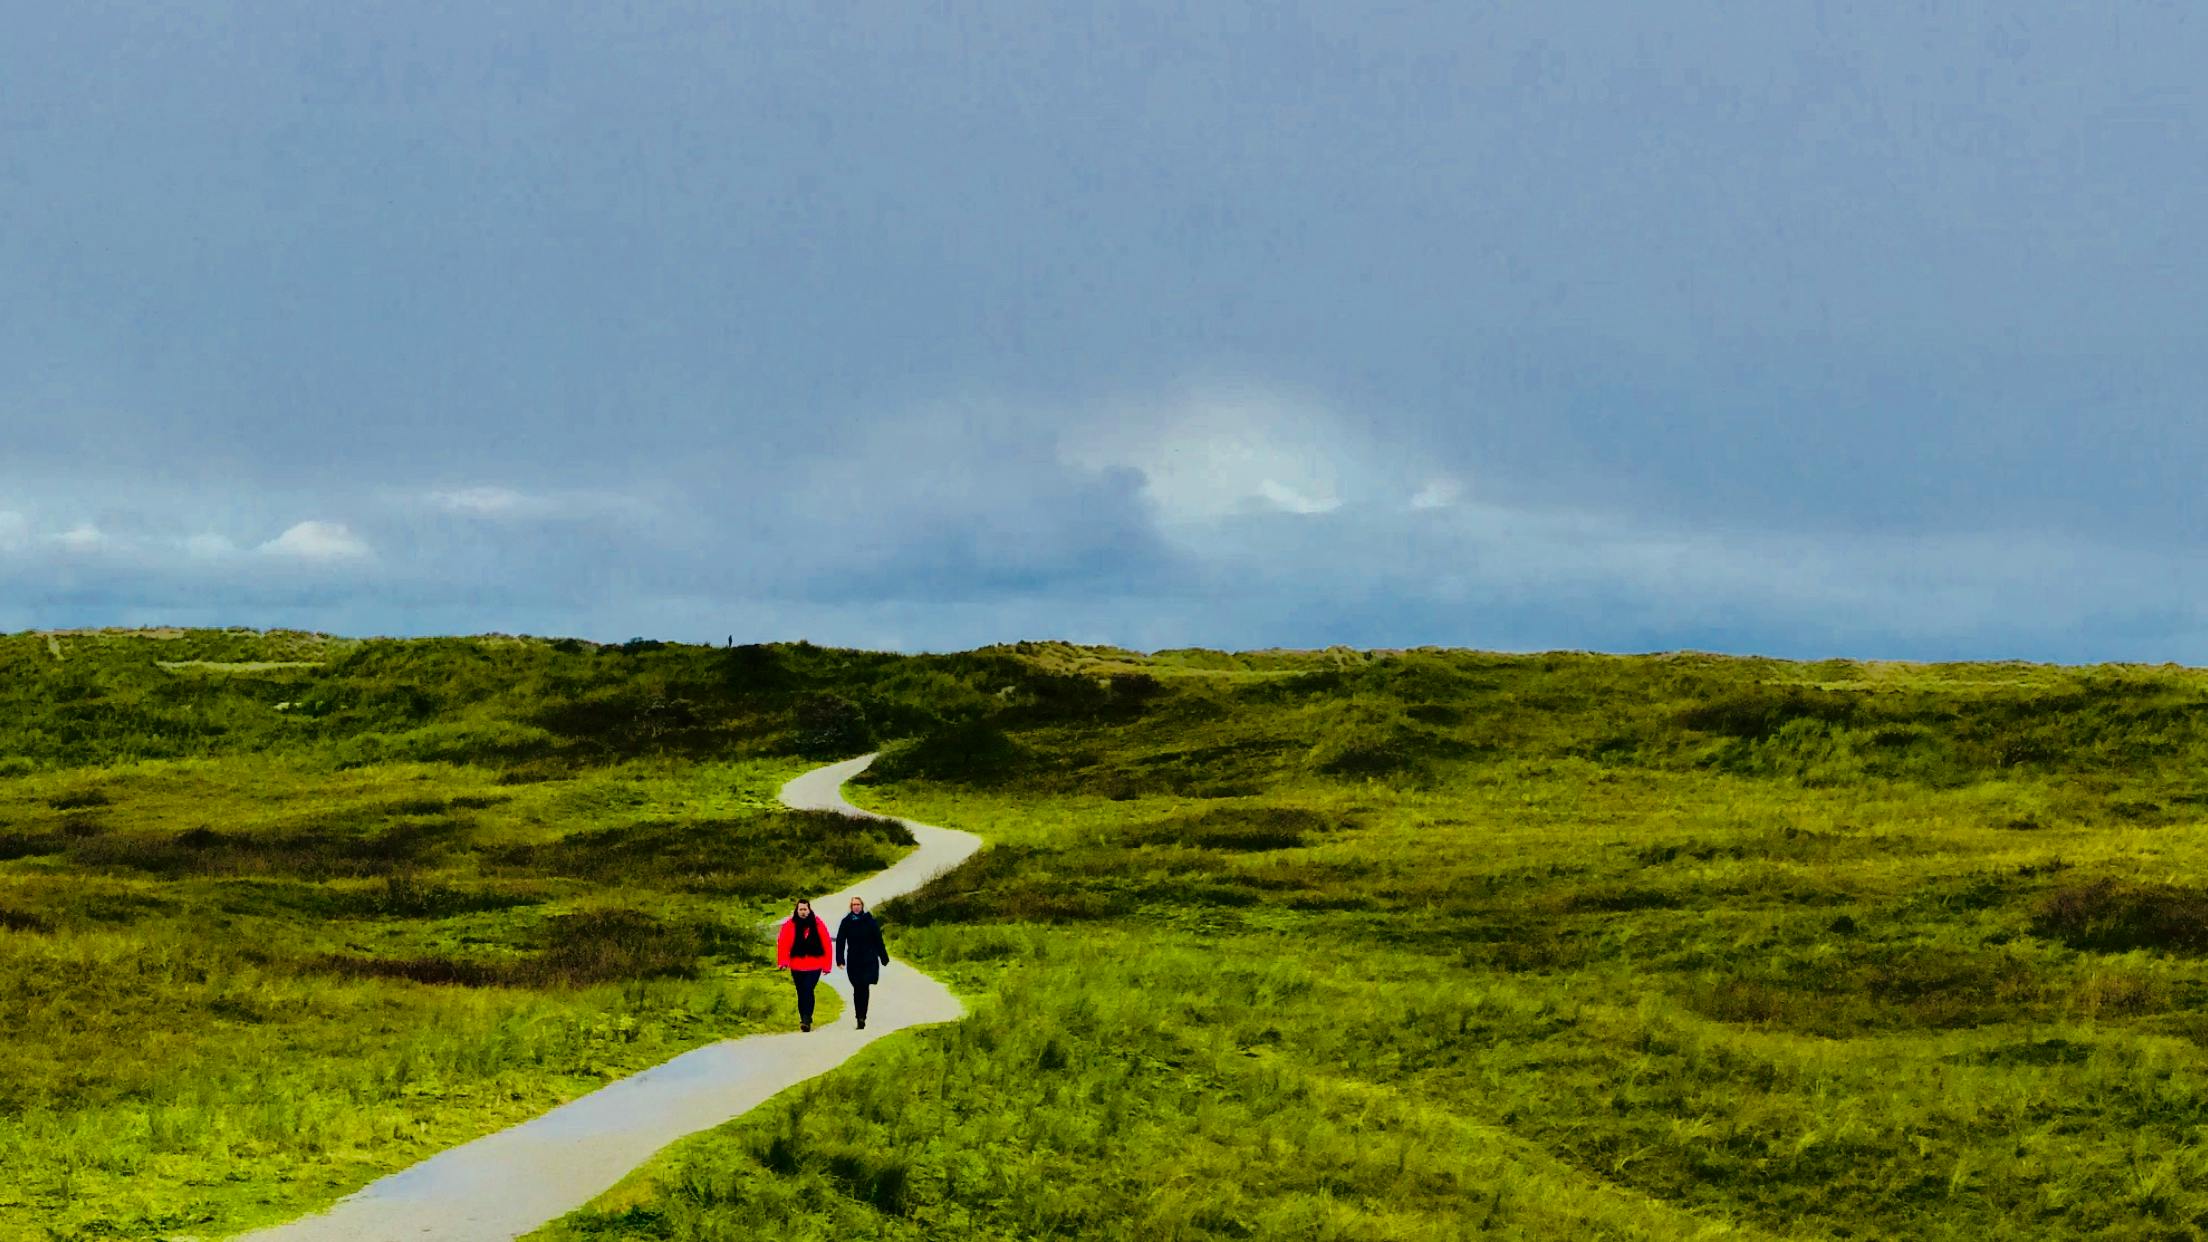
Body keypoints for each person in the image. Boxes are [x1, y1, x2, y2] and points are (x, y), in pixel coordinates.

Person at [776, 898, 835, 1032]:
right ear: (797, 910)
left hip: (815, 964)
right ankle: (803, 1017)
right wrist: (783, 962)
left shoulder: (818, 924)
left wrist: (827, 965)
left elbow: (826, 944)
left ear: (809, 910)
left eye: (805, 909)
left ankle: (807, 1018)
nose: (803, 912)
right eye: (800, 909)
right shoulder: (789, 925)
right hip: (797, 965)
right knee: (801, 992)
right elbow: (783, 944)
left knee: (808, 989)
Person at [835, 896, 891, 1030]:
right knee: (857, 987)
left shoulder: (870, 921)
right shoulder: (846, 922)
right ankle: (858, 1014)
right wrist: (840, 959)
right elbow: (840, 941)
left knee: (864, 987)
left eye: (858, 904)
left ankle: (862, 1017)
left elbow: (878, 939)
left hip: (868, 959)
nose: (856, 907)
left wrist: (883, 957)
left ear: (862, 906)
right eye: (854, 904)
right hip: (854, 959)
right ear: (851, 907)